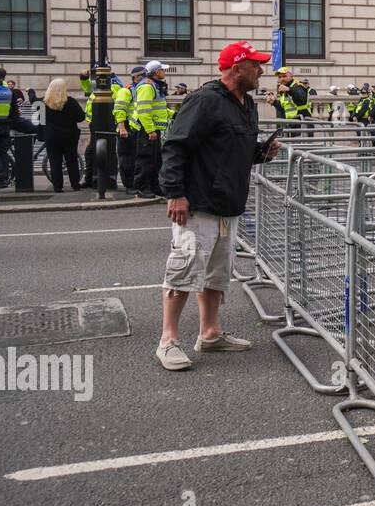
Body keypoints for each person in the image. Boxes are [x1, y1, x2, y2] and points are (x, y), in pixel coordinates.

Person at [155, 41, 282, 371]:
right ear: (236, 68)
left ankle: (210, 333)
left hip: (228, 203)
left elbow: (232, 149)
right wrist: (175, 193)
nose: (261, 70)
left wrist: (260, 153)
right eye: (255, 65)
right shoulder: (205, 100)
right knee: (183, 271)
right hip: (198, 203)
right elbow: (175, 147)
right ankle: (168, 340)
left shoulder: (246, 104)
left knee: (216, 274)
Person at [41, 78, 86, 192]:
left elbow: (40, 120)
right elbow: (81, 117)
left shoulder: (44, 103)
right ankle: (75, 185)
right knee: (72, 160)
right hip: (69, 136)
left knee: (54, 161)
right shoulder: (71, 102)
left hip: (51, 136)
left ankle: (57, 187)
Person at [133, 61, 170, 198]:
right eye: (162, 70)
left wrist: (175, 114)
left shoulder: (154, 86)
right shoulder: (147, 86)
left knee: (154, 159)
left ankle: (154, 187)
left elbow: (158, 109)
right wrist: (150, 130)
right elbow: (144, 111)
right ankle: (141, 188)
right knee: (145, 159)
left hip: (152, 128)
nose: (164, 72)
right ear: (156, 72)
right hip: (146, 129)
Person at [0, 66, 24, 189]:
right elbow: (14, 112)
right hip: (5, 126)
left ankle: (0, 179)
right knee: (2, 152)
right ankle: (4, 177)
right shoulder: (9, 91)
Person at [114, 65, 145, 194]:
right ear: (137, 77)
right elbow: (119, 110)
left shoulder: (141, 90)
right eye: (144, 76)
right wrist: (122, 128)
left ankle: (136, 184)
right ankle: (129, 186)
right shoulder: (125, 91)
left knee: (137, 158)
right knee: (127, 160)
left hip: (136, 128)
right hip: (126, 128)